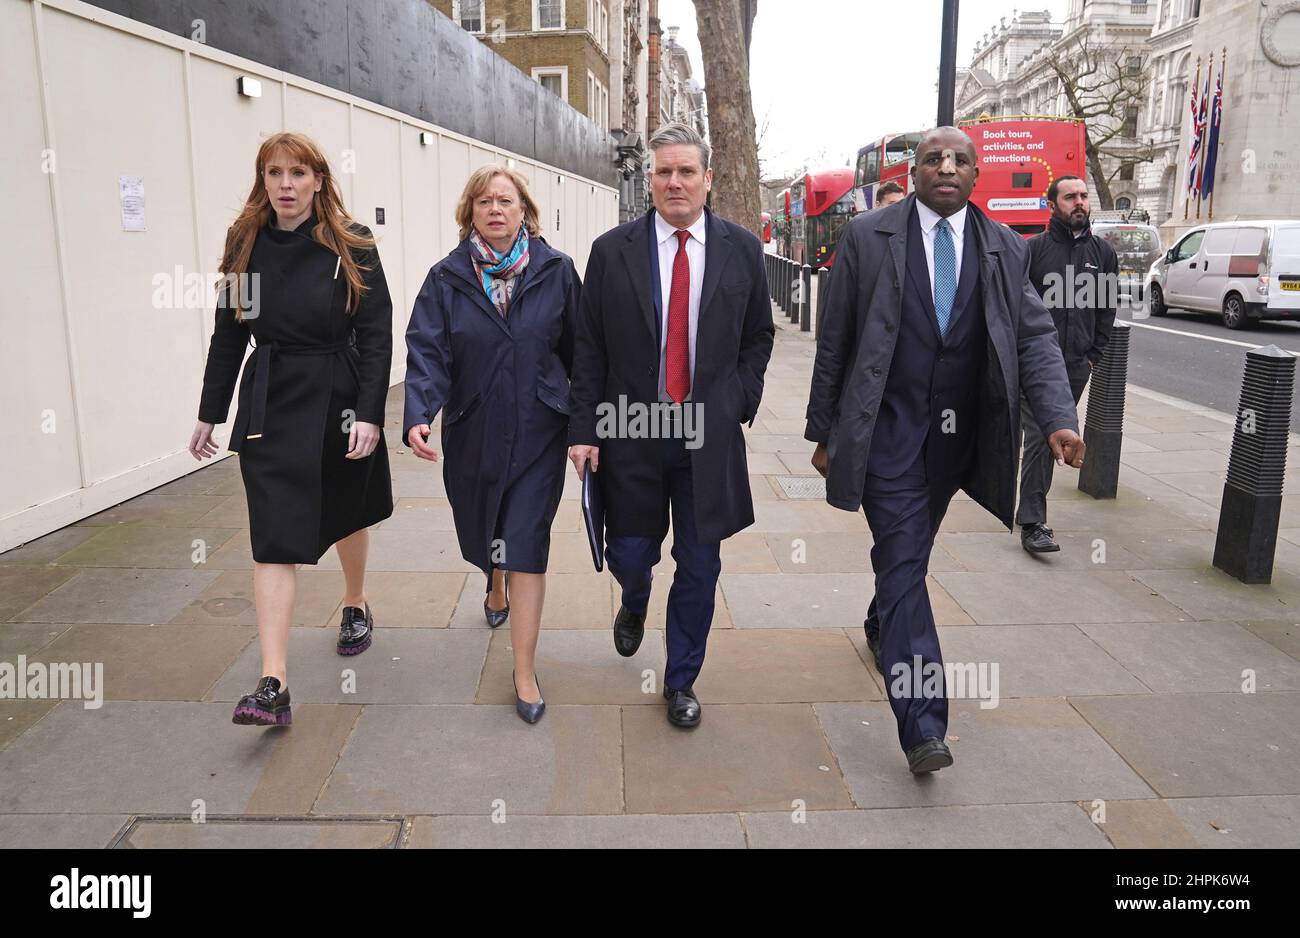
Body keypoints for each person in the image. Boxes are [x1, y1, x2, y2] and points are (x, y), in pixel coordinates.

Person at [805, 127, 1083, 774]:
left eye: (960, 159)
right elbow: (835, 340)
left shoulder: (1005, 248)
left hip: (957, 445)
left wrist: (1058, 420)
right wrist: (824, 432)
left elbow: (1035, 338)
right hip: (884, 436)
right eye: (934, 158)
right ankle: (923, 724)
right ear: (916, 169)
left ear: (976, 173)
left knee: (908, 556)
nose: (947, 167)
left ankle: (881, 622)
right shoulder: (867, 238)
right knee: (903, 560)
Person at [568, 122, 774, 729]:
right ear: (649, 179)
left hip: (706, 435)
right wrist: (583, 429)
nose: (675, 182)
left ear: (708, 179)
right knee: (631, 554)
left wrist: (738, 399)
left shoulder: (741, 249)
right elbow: (589, 347)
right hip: (631, 429)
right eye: (664, 171)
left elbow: (758, 336)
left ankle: (681, 678)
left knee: (701, 564)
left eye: (687, 171)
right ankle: (634, 602)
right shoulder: (612, 251)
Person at [192, 131, 393, 727]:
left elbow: (377, 333)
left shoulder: (350, 243)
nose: (286, 185)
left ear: (318, 180)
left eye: (298, 174)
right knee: (273, 533)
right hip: (271, 400)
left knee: (346, 511)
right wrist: (210, 410)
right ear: (263, 180)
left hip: (337, 391)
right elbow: (229, 333)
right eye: (275, 173)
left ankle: (354, 601)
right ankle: (273, 681)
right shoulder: (245, 241)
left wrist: (371, 413)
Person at [403, 165, 579, 725]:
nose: (496, 210)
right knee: (487, 526)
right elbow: (427, 349)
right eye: (484, 202)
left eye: (506, 200)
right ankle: (492, 580)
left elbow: (582, 351)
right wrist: (418, 414)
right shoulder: (446, 277)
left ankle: (523, 670)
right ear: (470, 213)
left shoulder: (557, 271)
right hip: (474, 426)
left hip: (540, 429)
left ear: (524, 209)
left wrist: (587, 428)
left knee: (526, 539)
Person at [1018, 176, 1118, 553]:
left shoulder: (1103, 254)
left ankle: (1027, 507)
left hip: (1077, 365)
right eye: (1070, 197)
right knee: (1045, 435)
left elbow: (1106, 308)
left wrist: (1094, 354)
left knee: (1049, 436)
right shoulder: (1033, 251)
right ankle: (1033, 522)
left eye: (1083, 196)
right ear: (1052, 205)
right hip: (1035, 365)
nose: (1079, 202)